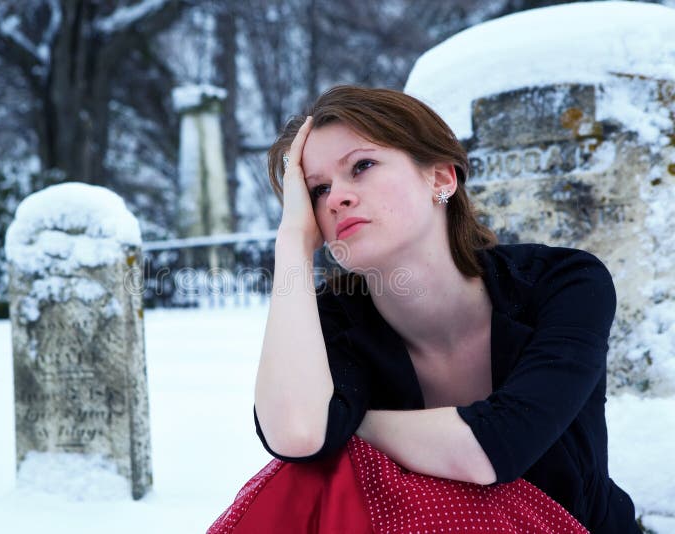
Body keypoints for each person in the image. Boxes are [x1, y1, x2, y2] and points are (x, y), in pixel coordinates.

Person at [207, 85, 639, 534]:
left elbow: (498, 446)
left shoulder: (561, 281)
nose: (336, 198)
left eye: (362, 166)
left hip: (567, 524)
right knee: (302, 478)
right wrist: (293, 244)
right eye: (316, 190)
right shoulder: (334, 319)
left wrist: (350, 429)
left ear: (441, 179)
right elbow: (297, 436)